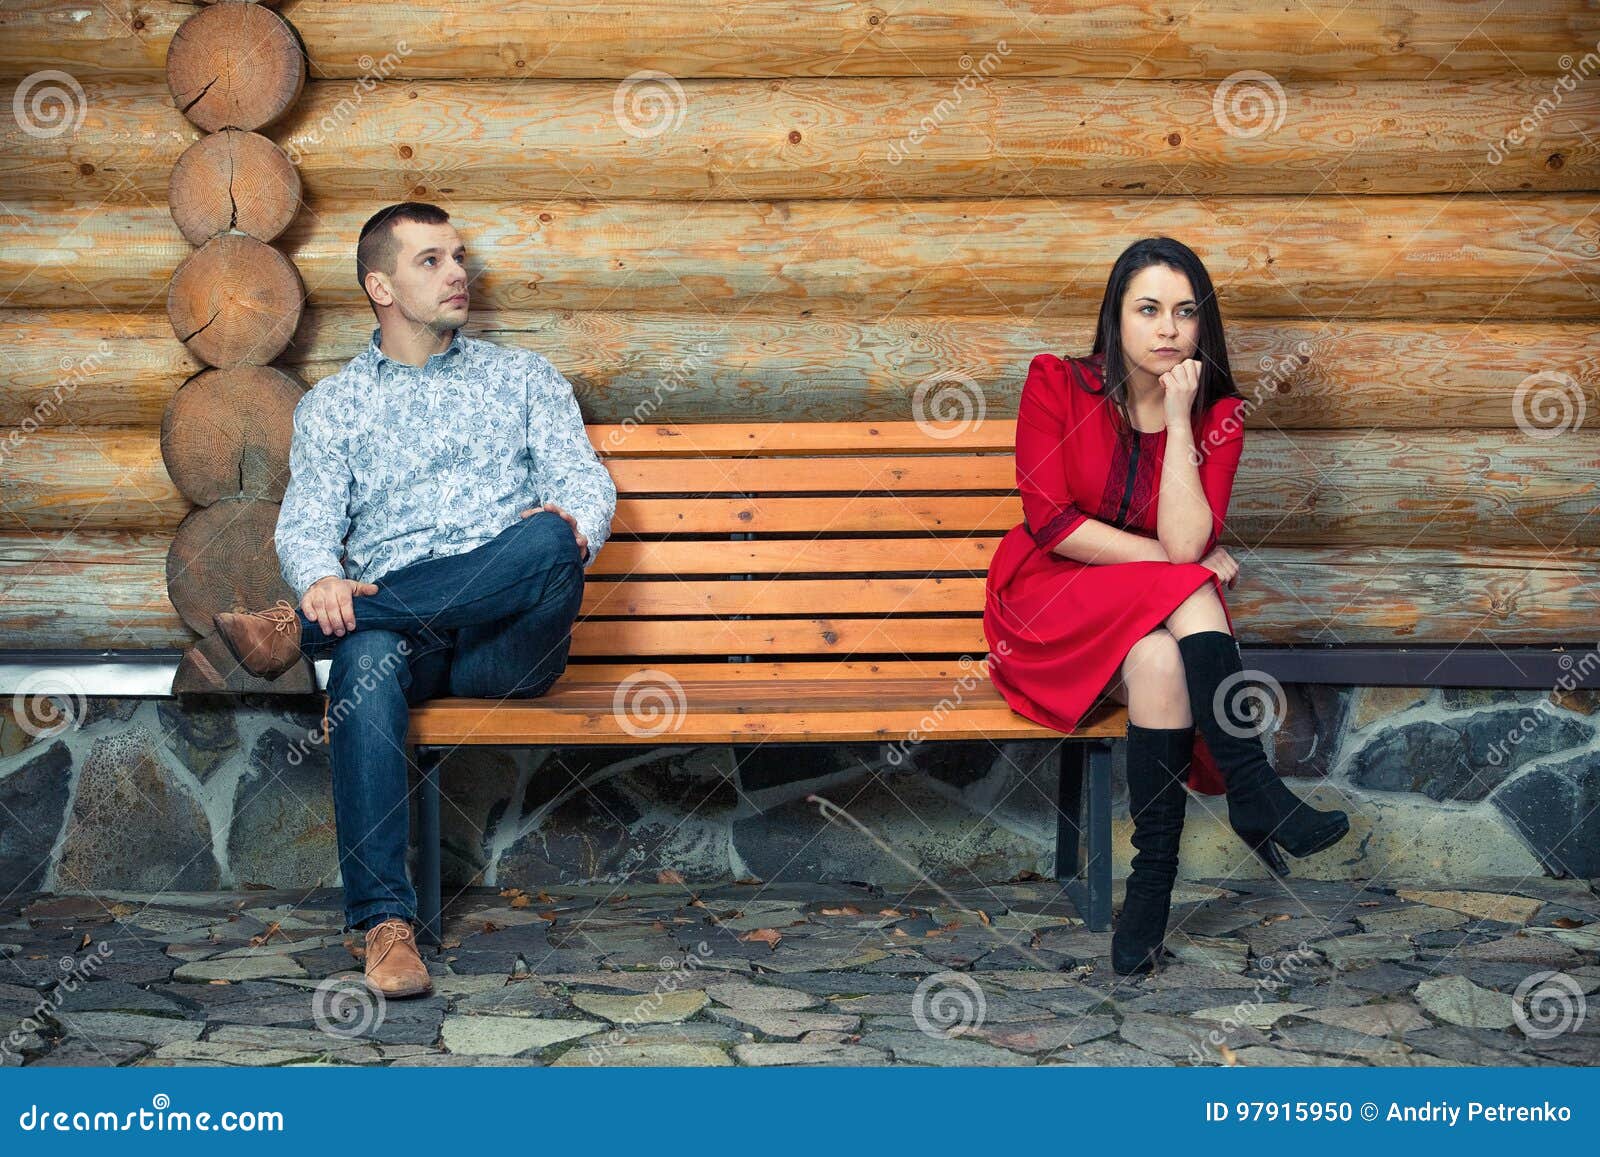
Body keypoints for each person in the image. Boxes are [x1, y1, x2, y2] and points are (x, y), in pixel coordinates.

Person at [211, 202, 617, 998]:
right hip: (407, 651)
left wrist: (330, 607)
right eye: (430, 260)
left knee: (547, 540)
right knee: (363, 655)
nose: (458, 272)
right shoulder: (334, 407)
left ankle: (315, 627)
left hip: (511, 638)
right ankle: (385, 926)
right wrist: (319, 580)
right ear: (380, 286)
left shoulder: (523, 379)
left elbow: (585, 491)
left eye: (458, 256)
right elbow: (307, 530)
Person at [982, 236, 1349, 977]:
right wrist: (1185, 569)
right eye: (1147, 309)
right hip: (1046, 605)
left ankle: (1148, 894)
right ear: (1115, 318)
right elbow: (1052, 522)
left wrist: (1181, 420)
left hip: (1142, 621)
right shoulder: (1057, 384)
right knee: (1194, 581)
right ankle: (1254, 790)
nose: (1168, 328)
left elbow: (1185, 539)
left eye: (1185, 312)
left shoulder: (1217, 417)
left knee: (1159, 662)